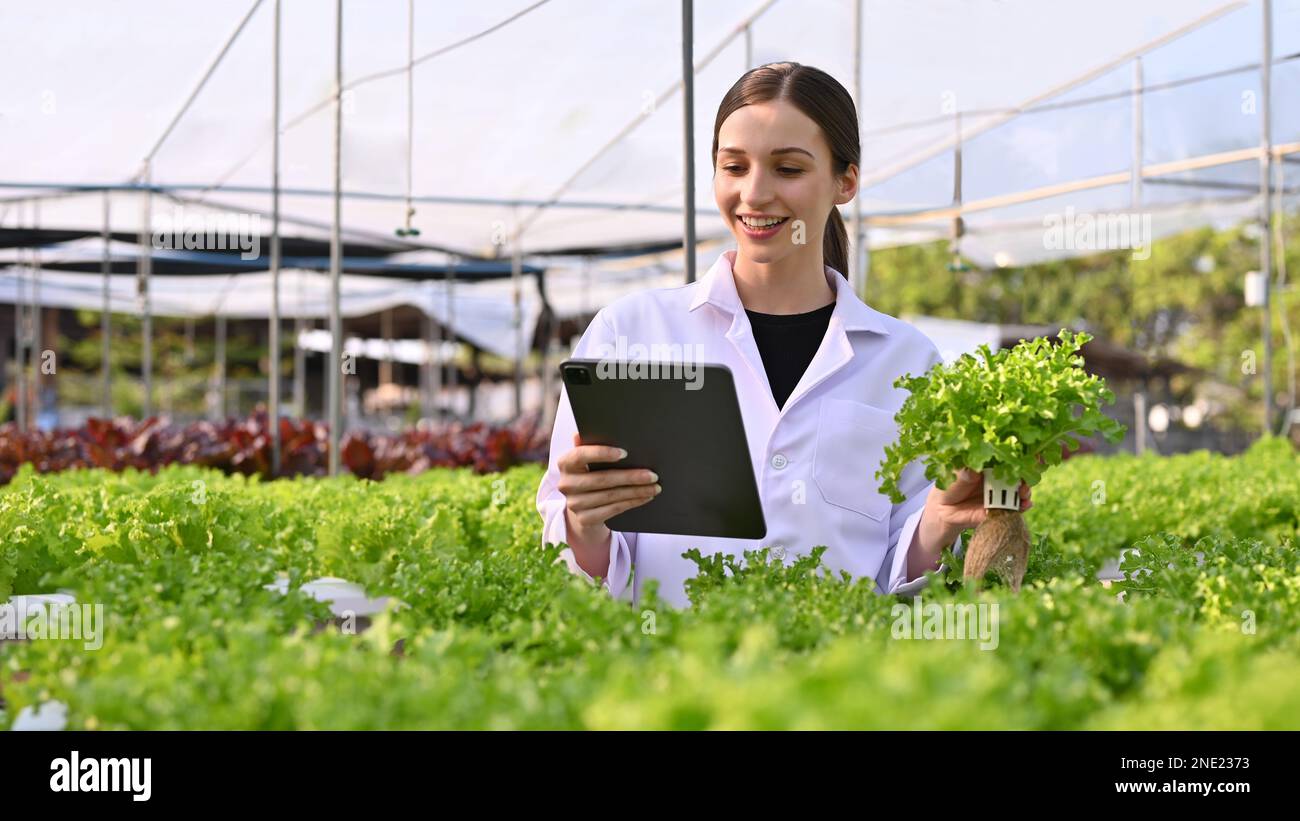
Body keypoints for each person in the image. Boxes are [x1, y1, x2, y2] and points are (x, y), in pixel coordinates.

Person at [536, 62, 1031, 608]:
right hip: (669, 681)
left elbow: (900, 576)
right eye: (734, 166)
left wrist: (935, 524)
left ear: (846, 181)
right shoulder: (628, 332)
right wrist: (584, 525)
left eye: (787, 169)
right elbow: (577, 566)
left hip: (834, 681)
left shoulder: (907, 362)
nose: (754, 193)